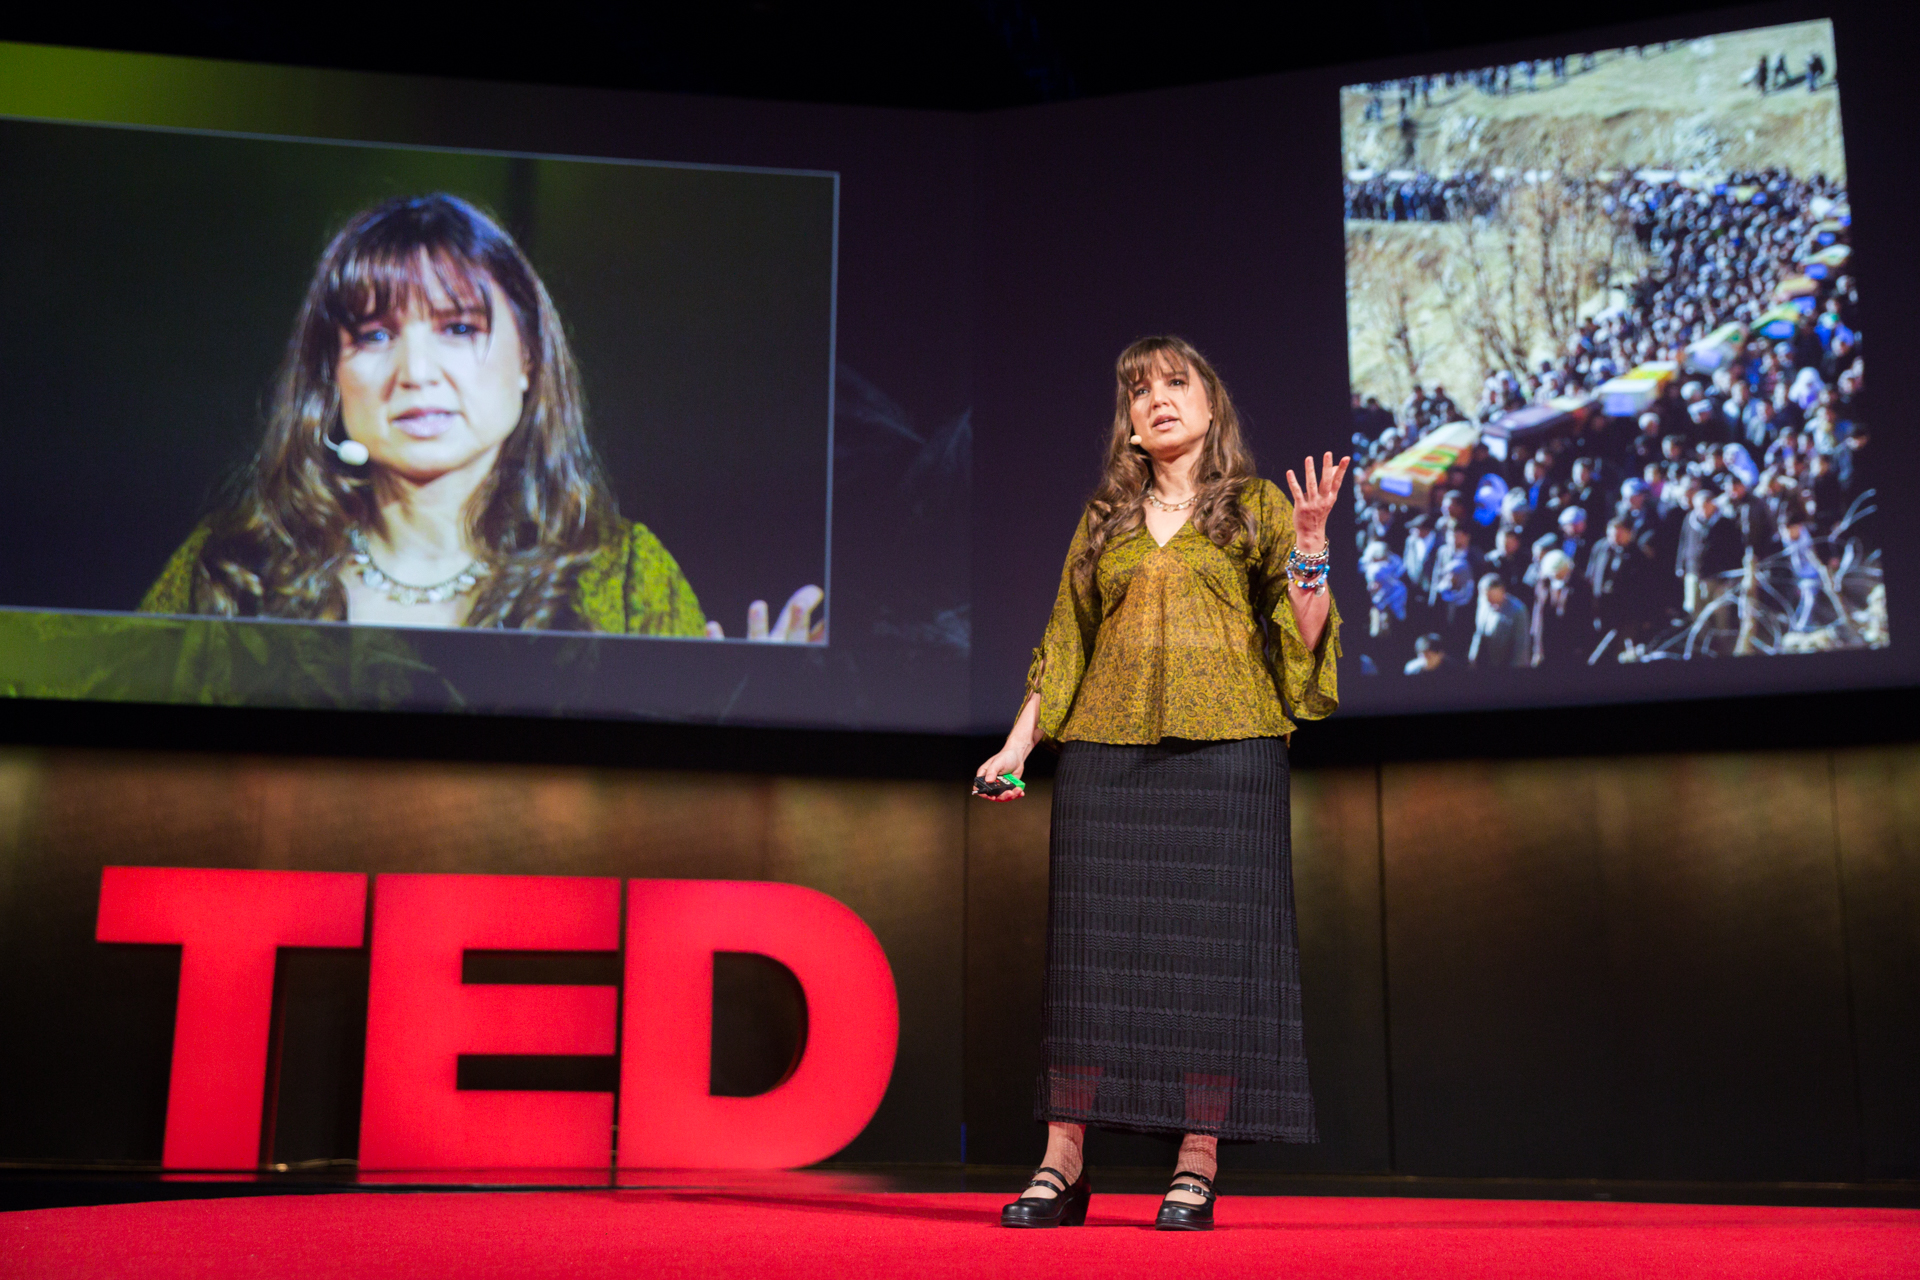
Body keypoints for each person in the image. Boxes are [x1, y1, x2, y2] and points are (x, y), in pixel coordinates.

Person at [977, 335, 1345, 1232]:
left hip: (1231, 755)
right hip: (1107, 752)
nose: (1158, 400)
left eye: (1176, 384)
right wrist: (1016, 747)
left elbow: (1303, 645)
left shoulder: (1256, 506)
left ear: (1209, 406)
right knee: (1090, 960)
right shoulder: (1106, 516)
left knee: (1210, 963)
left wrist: (1308, 547)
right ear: (1132, 426)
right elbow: (1065, 640)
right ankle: (1063, 1163)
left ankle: (1196, 1161)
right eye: (1140, 392)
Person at [139, 193, 820, 640]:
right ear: (330, 377)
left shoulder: (623, 578)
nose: (416, 372)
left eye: (458, 328)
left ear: (527, 359)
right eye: (374, 335)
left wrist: (748, 716)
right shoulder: (231, 571)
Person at [1467, 573, 1529, 668]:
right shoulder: (1484, 605)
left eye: (1491, 596)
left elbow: (1521, 644)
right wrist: (1472, 658)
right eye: (1485, 596)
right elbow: (1478, 633)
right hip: (1487, 664)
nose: (1488, 600)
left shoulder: (1518, 610)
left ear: (1501, 591)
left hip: (1508, 665)